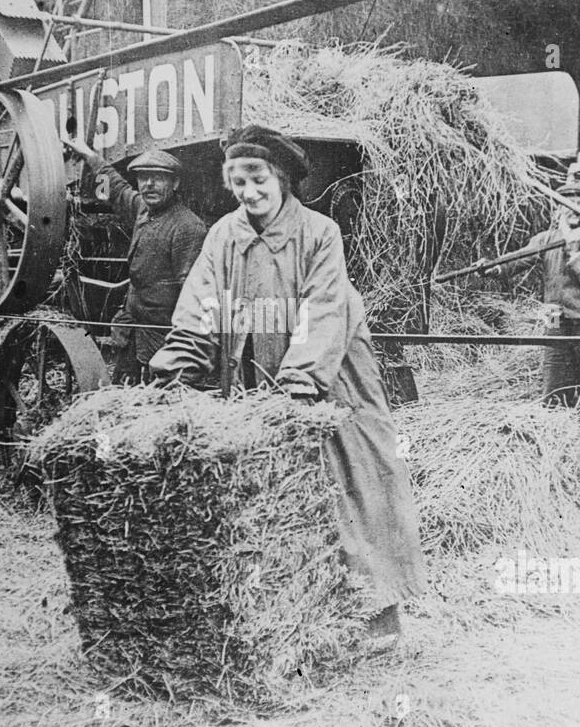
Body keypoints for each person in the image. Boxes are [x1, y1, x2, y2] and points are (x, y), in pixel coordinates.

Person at [149, 125, 427, 638]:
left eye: (257, 180)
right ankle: (291, 621)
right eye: (237, 183)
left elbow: (323, 311)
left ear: (280, 179)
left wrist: (296, 390)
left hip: (332, 379)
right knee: (273, 501)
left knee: (351, 488)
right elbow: (199, 308)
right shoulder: (223, 236)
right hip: (257, 379)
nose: (249, 193)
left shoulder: (320, 234)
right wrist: (176, 370)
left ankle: (376, 620)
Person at [64, 138, 208, 383]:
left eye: (158, 178)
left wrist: (183, 350)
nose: (149, 185)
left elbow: (192, 296)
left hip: (163, 339)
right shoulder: (143, 210)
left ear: (175, 183)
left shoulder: (187, 227)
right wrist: (90, 156)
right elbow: (115, 188)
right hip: (132, 331)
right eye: (143, 178)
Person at [487, 172, 580, 415]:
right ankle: (554, 429)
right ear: (557, 210)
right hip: (553, 317)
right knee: (554, 378)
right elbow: (518, 259)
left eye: (579, 206)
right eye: (566, 206)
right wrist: (495, 267)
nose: (572, 211)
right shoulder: (546, 239)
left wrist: (575, 252)